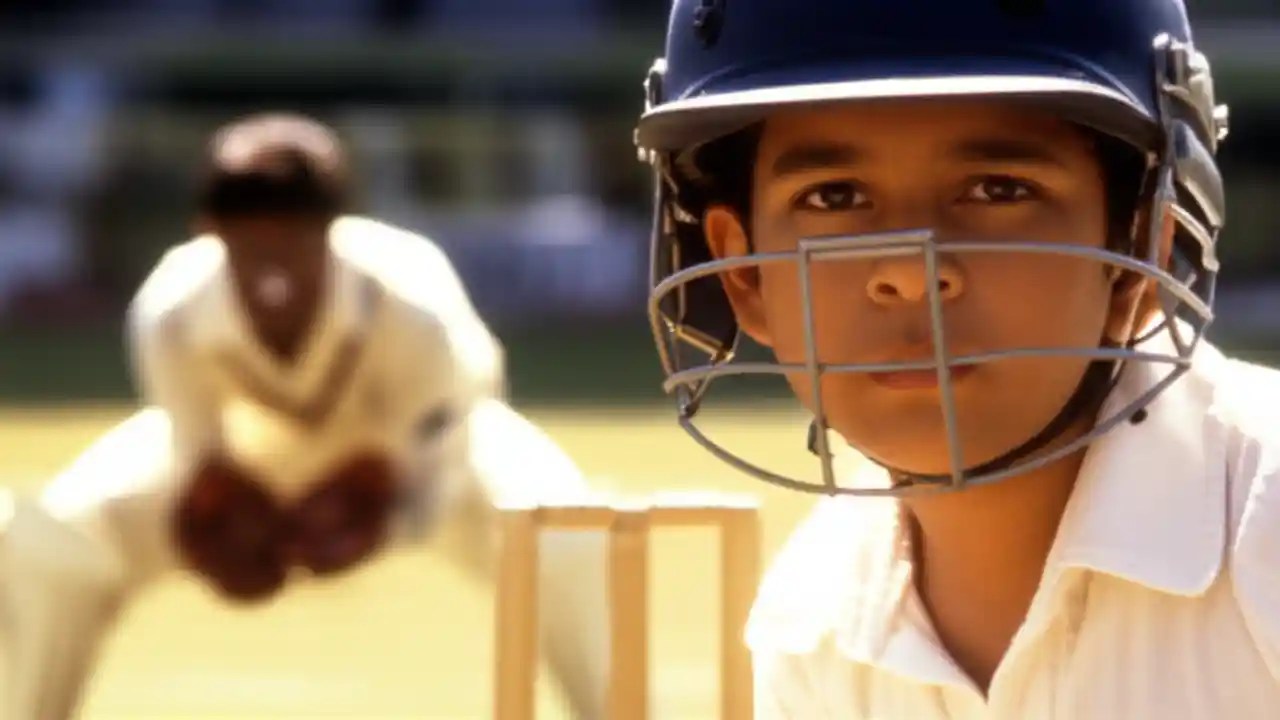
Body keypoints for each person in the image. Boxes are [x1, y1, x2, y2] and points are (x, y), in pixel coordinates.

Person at [635, 1, 1280, 717]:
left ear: (1139, 252)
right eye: (834, 196)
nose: (909, 269)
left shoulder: (1265, 529)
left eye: (998, 189)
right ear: (744, 275)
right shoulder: (814, 623)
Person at [0, 113, 609, 719]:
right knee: (53, 545)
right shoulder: (172, 311)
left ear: (331, 229)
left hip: (431, 456)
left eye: (291, 240)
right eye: (248, 242)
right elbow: (198, 461)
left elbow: (438, 461)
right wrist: (223, 516)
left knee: (565, 533)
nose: (273, 271)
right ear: (208, 230)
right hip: (255, 450)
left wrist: (381, 520)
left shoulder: (412, 298)